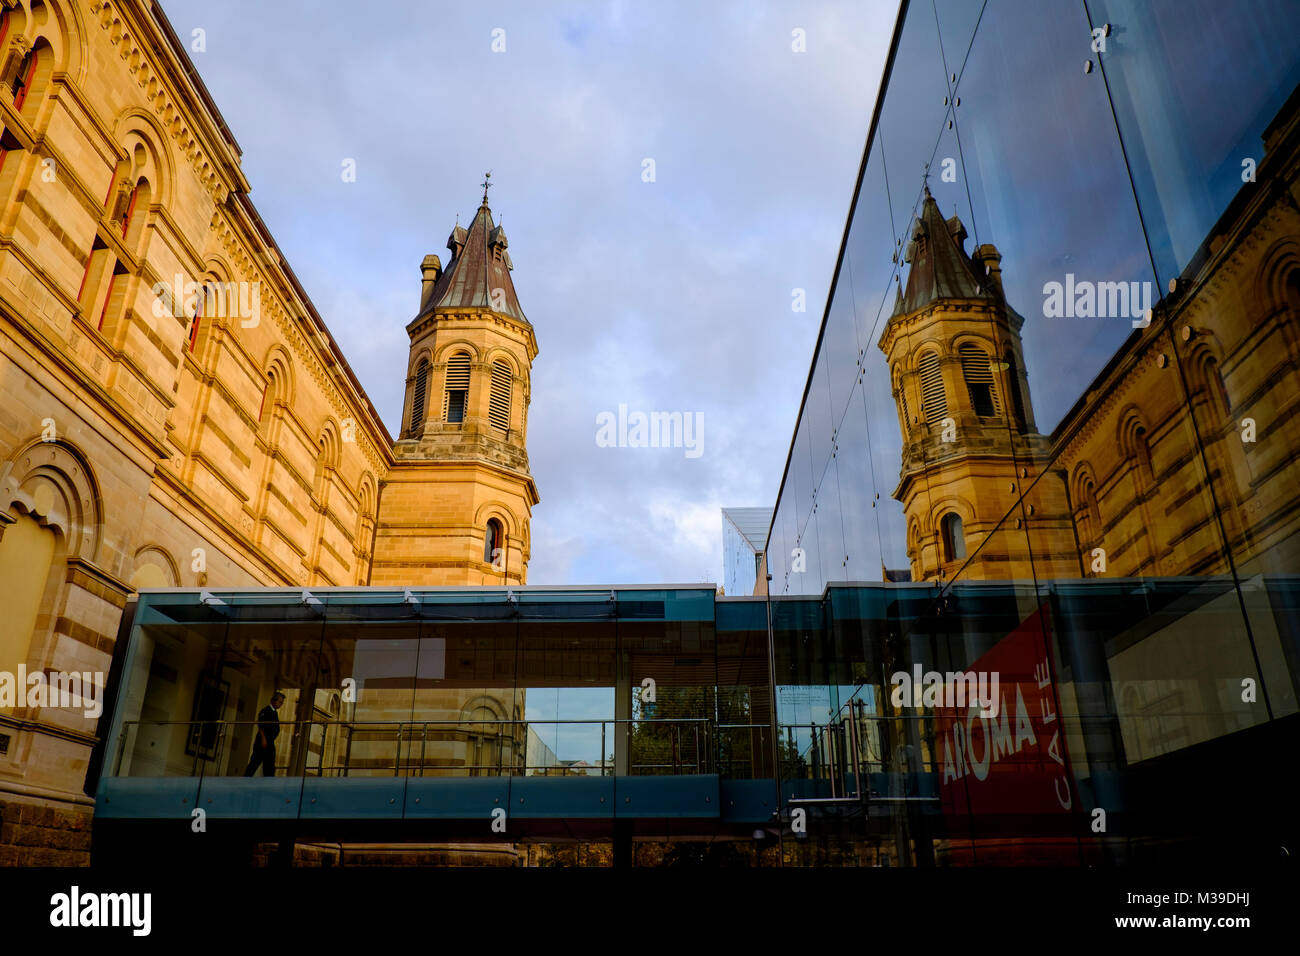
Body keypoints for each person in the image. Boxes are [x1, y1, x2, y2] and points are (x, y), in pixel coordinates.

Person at [243, 691, 285, 776]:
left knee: (269, 767)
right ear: (273, 700)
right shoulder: (266, 710)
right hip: (262, 742)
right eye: (280, 702)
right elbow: (261, 725)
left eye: (282, 703)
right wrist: (263, 739)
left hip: (269, 742)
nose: (281, 704)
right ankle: (245, 781)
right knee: (254, 763)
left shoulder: (274, 713)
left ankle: (268, 784)